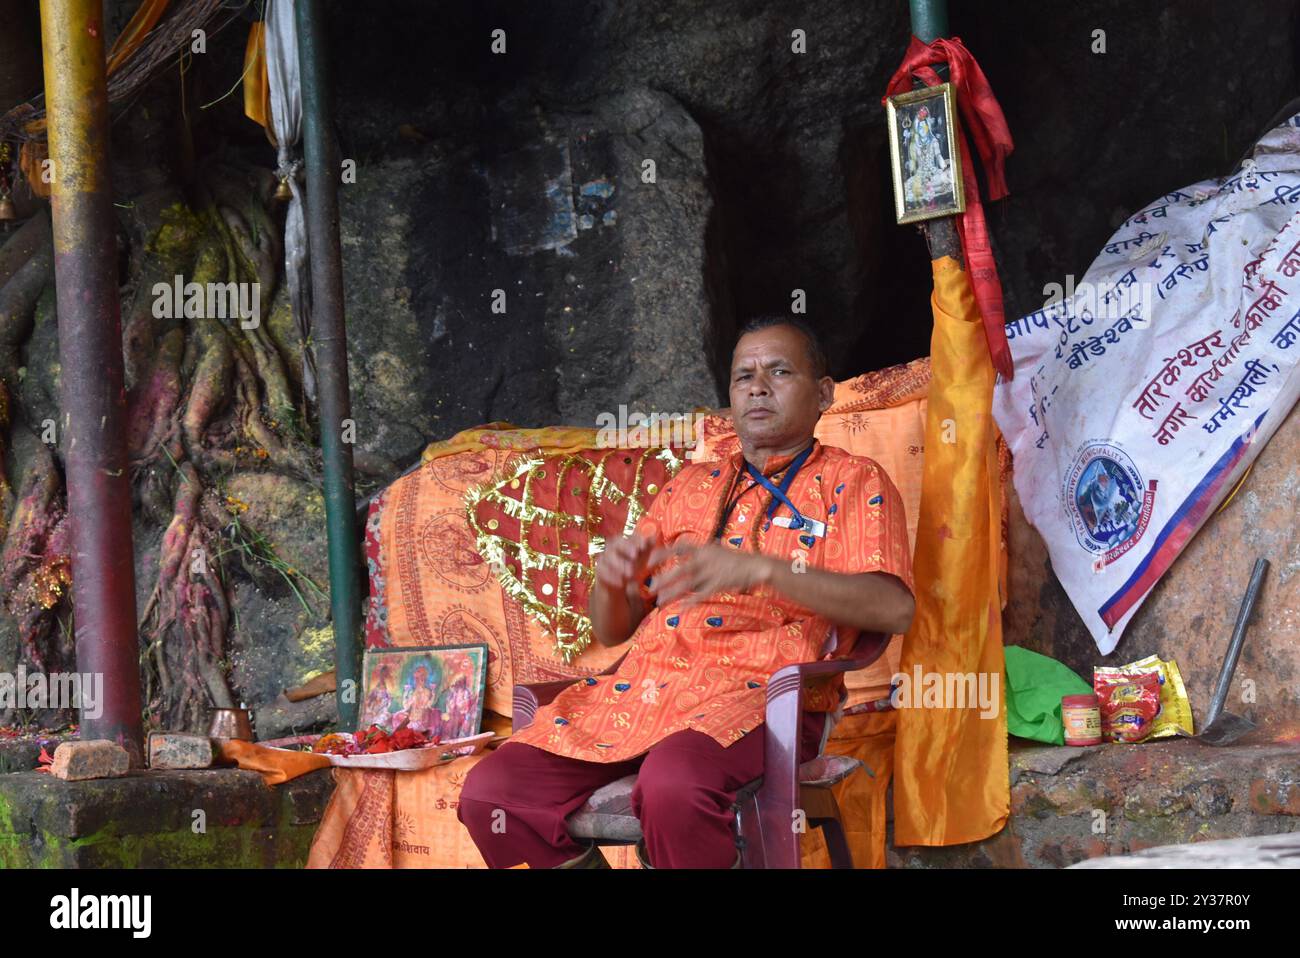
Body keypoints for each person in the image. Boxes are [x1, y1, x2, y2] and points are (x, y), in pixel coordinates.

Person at [458, 316, 915, 868]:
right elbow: (614, 629)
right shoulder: (692, 485)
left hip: (763, 700)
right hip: (641, 694)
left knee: (674, 784)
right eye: (743, 375)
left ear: (823, 394)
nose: (758, 386)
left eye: (779, 371)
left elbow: (894, 608)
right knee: (492, 793)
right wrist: (612, 580)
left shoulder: (854, 479)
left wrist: (760, 572)